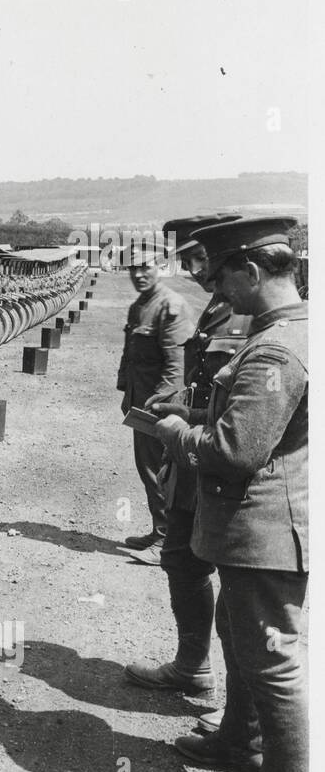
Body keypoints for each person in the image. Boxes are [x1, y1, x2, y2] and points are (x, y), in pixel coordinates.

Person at [154, 216, 307, 772]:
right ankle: (239, 742)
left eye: (222, 278)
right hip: (265, 528)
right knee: (243, 637)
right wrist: (197, 409)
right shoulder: (292, 331)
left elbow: (236, 450)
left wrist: (178, 431)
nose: (217, 293)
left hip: (266, 529)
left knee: (271, 655)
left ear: (250, 269)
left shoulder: (274, 346)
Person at [123, 214, 245, 692]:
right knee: (180, 558)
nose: (196, 270)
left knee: (238, 588)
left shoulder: (243, 313)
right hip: (196, 454)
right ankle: (193, 665)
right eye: (188, 260)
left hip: (220, 464)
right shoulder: (219, 306)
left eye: (201, 259)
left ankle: (241, 715)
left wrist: (183, 418)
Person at [116, 249, 190, 557]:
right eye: (133, 269)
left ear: (160, 266)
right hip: (140, 400)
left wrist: (156, 405)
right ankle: (160, 530)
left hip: (160, 404)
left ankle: (168, 540)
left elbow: (176, 366)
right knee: (147, 468)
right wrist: (126, 392)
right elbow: (129, 355)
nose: (138, 274)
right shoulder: (139, 306)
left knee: (162, 471)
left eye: (145, 267)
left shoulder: (170, 306)